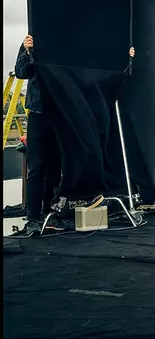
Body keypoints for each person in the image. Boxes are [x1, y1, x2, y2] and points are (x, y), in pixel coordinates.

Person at [15, 34, 136, 236]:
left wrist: (124, 57)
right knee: (37, 167)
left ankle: (48, 212)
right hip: (40, 112)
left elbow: (95, 67)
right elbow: (22, 72)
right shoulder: (33, 41)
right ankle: (33, 219)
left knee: (56, 167)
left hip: (64, 113)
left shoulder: (73, 45)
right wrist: (27, 52)